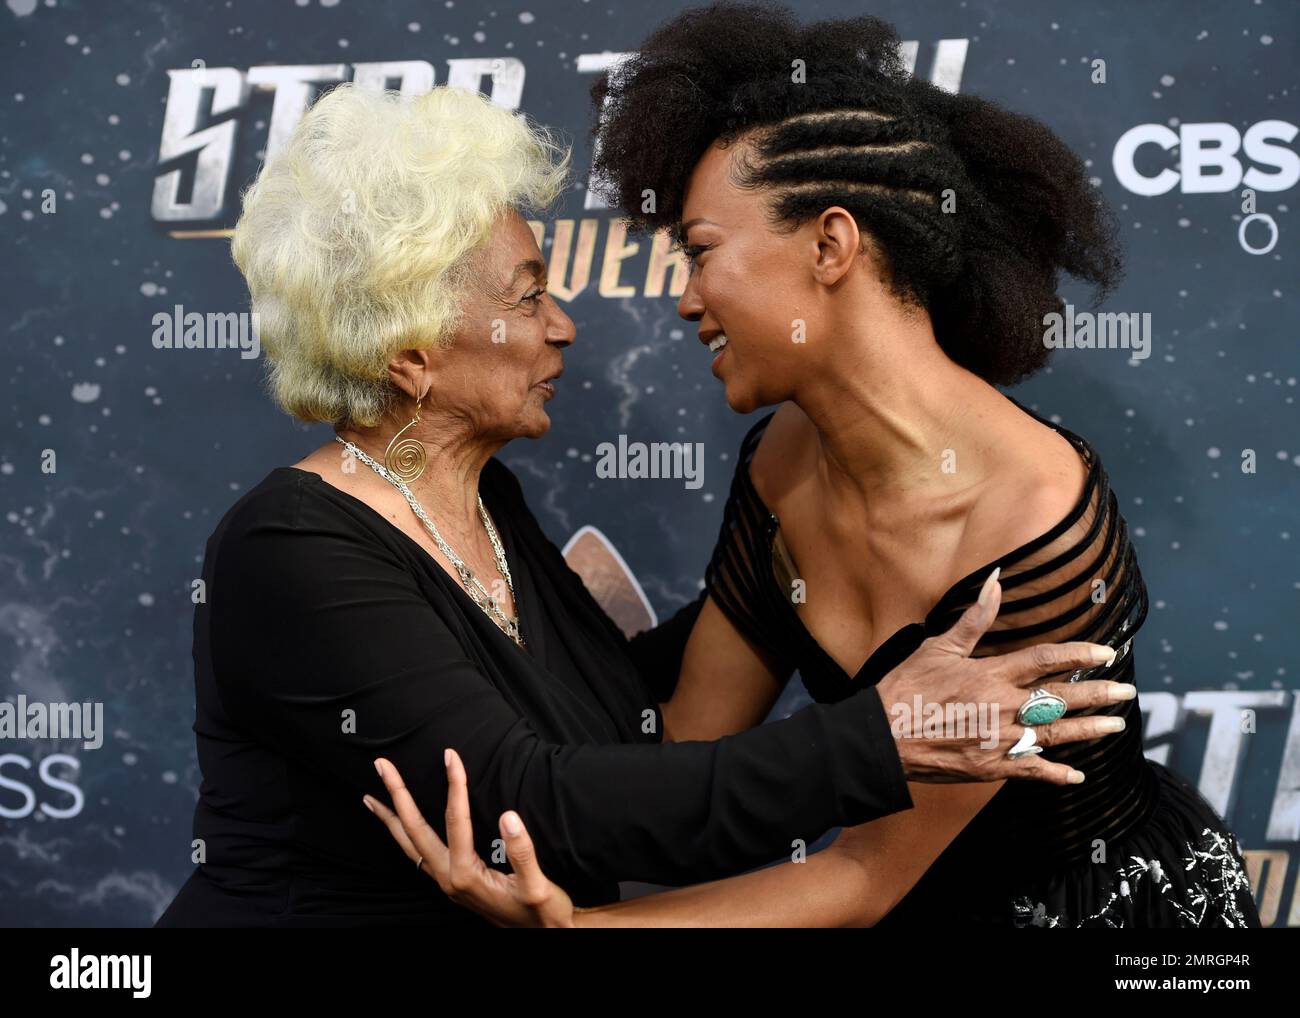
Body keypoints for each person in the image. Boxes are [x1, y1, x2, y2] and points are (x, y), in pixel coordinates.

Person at [152, 80, 1128, 928]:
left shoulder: (483, 498)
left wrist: (792, 580)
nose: (567, 326)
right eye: (531, 297)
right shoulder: (291, 549)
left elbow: (626, 726)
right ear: (410, 355)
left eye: (702, 252)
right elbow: (527, 795)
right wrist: (878, 730)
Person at [368, 4, 1260, 928]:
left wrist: (578, 930)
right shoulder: (781, 464)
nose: (683, 302)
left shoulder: (1032, 522)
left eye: (702, 252)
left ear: (830, 246)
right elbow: (690, 741)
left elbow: (868, 878)